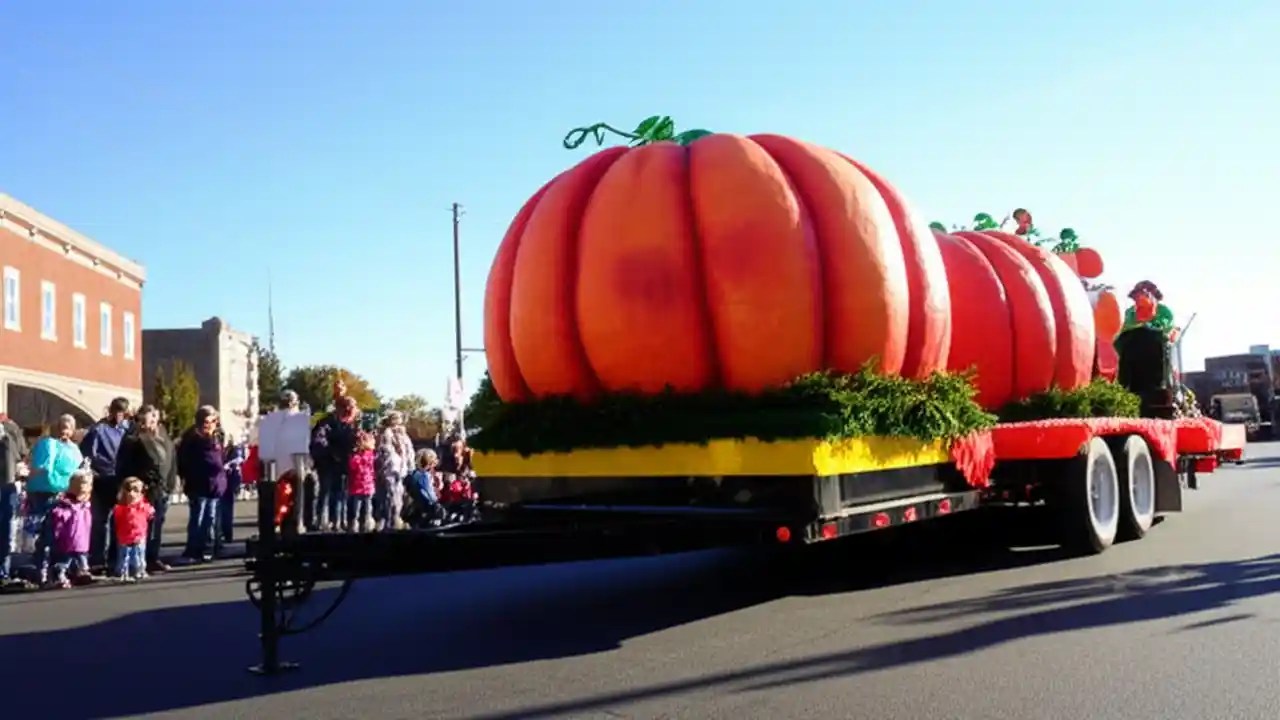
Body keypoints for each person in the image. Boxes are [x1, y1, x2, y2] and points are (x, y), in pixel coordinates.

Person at [115, 405, 178, 573]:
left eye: (149, 420)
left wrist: (171, 485)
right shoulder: (133, 439)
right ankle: (137, 560)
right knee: (139, 527)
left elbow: (172, 462)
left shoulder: (164, 437)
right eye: (141, 421)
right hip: (142, 490)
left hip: (162, 489)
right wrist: (130, 488)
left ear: (156, 419)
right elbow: (123, 465)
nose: (145, 424)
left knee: (157, 525)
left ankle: (153, 557)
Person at [26, 414, 84, 582]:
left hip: (67, 494)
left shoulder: (73, 448)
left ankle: (59, 568)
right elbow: (41, 469)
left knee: (63, 534)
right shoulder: (48, 444)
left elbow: (79, 469)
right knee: (46, 532)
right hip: (46, 493)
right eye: (62, 426)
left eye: (68, 427)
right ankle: (41, 569)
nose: (64, 431)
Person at [80, 397, 132, 572]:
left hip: (120, 479)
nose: (119, 416)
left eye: (122, 413)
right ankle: (97, 559)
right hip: (102, 479)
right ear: (110, 411)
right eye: (116, 412)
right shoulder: (98, 430)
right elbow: (88, 455)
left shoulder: (127, 430)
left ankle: (115, 559)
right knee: (100, 521)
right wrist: (94, 473)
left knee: (119, 520)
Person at [177, 406, 227, 562]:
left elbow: (221, 457)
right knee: (197, 518)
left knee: (211, 518)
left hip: (215, 485)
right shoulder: (192, 438)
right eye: (208, 421)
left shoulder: (218, 436)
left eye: (214, 421)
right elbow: (183, 461)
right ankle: (193, 550)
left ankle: (209, 547)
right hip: (198, 484)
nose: (212, 424)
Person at [309, 395, 360, 531]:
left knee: (342, 493)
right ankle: (322, 521)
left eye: (352, 408)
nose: (350, 411)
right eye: (347, 408)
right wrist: (333, 453)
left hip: (345, 464)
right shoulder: (327, 422)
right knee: (326, 492)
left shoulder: (354, 424)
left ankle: (340, 521)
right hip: (327, 463)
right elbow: (318, 440)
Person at [46, 471, 95, 589]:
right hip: (68, 538)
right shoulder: (65, 503)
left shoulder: (85, 504)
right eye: (82, 484)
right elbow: (58, 516)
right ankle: (59, 576)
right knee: (64, 559)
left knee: (81, 558)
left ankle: (81, 573)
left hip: (81, 539)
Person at [0, 412, 29, 586]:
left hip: (6, 485)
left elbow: (22, 454)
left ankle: (3, 572)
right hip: (6, 485)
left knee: (5, 530)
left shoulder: (10, 428)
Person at [376, 412, 413, 531]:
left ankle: (395, 519)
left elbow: (409, 452)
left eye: (398, 418)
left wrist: (409, 466)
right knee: (389, 496)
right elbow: (384, 452)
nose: (397, 421)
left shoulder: (403, 434)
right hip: (390, 469)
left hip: (400, 470)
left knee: (398, 496)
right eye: (395, 419)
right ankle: (387, 520)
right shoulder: (385, 433)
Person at [112, 477, 154, 582]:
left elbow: (150, 513)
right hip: (124, 537)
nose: (132, 494)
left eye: (136, 491)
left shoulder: (143, 506)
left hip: (138, 536)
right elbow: (117, 519)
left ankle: (139, 570)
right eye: (129, 490)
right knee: (124, 555)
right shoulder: (120, 508)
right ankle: (122, 572)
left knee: (139, 555)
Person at [403, 449, 443, 528]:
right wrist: (437, 505)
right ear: (430, 463)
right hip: (426, 509)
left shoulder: (411, 475)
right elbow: (430, 496)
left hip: (414, 506)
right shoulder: (424, 476)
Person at [346, 431, 376, 532]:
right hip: (364, 484)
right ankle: (363, 522)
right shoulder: (368, 455)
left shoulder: (360, 456)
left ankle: (359, 522)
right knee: (364, 506)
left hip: (359, 484)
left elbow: (353, 466)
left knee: (360, 505)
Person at [220, 437, 246, 544]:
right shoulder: (230, 449)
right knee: (224, 510)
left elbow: (239, 460)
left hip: (228, 482)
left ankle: (226, 534)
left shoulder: (234, 449)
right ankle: (224, 533)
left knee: (225, 509)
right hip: (225, 481)